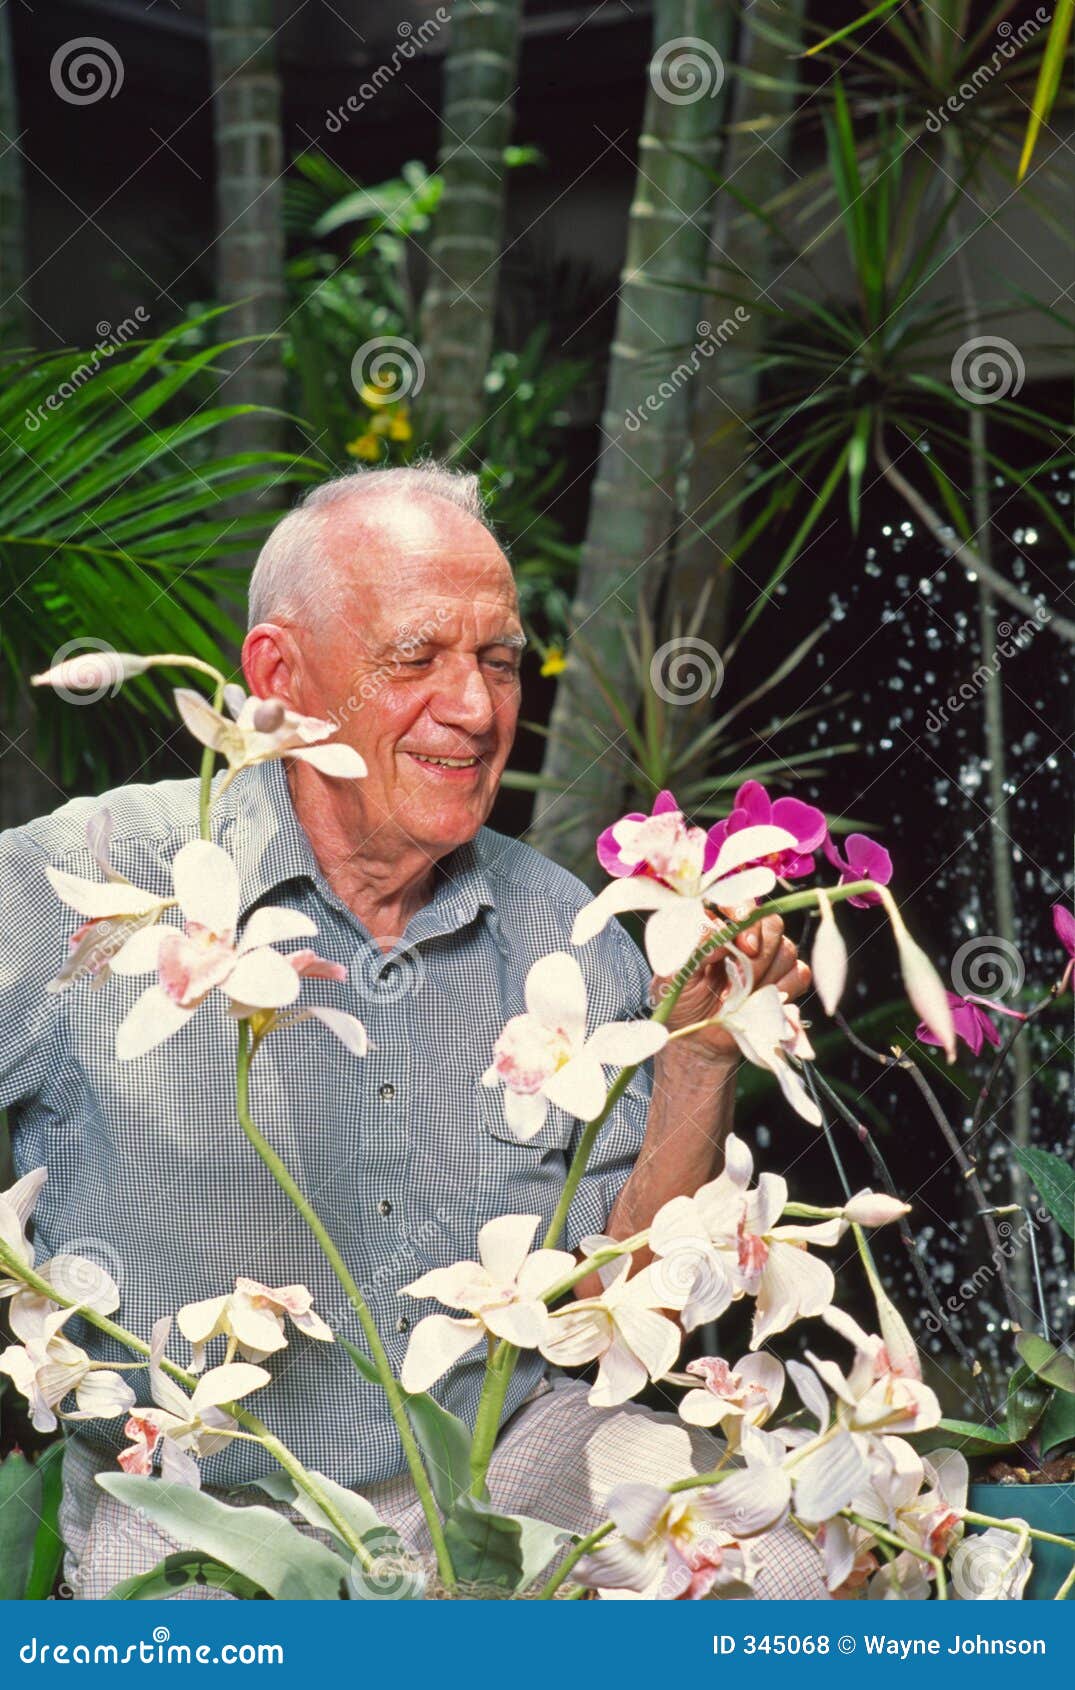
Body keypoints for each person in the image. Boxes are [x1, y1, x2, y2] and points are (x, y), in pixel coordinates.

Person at [0, 463, 828, 1599]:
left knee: (802, 1560)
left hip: (506, 1483)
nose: (478, 709)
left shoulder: (567, 928)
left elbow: (627, 1306)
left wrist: (694, 1054)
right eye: (416, 657)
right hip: (208, 1512)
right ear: (277, 680)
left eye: (497, 659)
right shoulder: (88, 881)